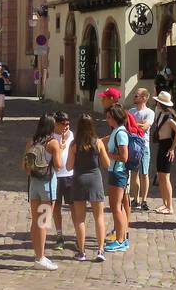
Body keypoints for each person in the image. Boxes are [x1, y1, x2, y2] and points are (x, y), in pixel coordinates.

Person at [67, 113, 110, 261]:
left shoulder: (74, 145)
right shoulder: (98, 142)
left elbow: (68, 166)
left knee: (80, 218)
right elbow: (107, 164)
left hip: (79, 179)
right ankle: (100, 250)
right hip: (95, 179)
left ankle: (82, 251)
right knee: (99, 217)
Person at [24, 114, 63, 270]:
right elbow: (59, 165)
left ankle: (38, 255)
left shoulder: (31, 142)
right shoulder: (53, 143)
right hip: (48, 185)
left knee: (35, 221)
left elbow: (25, 167)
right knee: (43, 222)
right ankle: (40, 258)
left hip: (33, 184)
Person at [103, 103, 132, 252]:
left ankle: (121, 240)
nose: (107, 120)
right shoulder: (116, 131)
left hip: (118, 172)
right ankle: (122, 237)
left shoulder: (120, 133)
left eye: (109, 117)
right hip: (115, 172)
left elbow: (124, 157)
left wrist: (107, 155)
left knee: (116, 208)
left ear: (115, 118)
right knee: (117, 207)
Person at [151, 91, 176, 215]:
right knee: (161, 176)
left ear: (160, 103)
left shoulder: (168, 117)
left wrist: (172, 148)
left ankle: (170, 206)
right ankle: (164, 204)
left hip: (166, 146)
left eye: (157, 101)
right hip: (161, 145)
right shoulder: (160, 114)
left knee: (166, 177)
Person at [50, 110, 74, 249]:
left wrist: (65, 138)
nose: (65, 126)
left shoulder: (71, 135)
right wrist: (62, 141)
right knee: (55, 208)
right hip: (54, 177)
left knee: (73, 207)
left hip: (69, 176)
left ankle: (78, 235)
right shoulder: (50, 136)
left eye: (68, 123)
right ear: (55, 124)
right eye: (63, 124)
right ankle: (59, 235)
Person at [129, 87, 155, 211]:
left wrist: (134, 124)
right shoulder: (130, 111)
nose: (134, 97)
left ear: (144, 98)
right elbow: (128, 127)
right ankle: (136, 199)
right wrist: (137, 125)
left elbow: (145, 128)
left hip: (144, 146)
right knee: (134, 174)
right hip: (132, 146)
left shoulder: (150, 112)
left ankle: (144, 200)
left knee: (144, 174)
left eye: (136, 95)